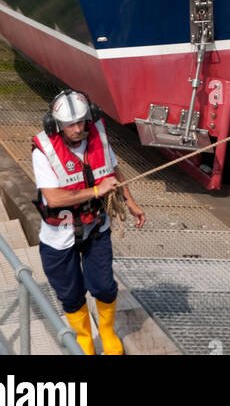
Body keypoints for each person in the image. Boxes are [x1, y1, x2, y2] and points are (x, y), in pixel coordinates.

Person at [32, 89, 145, 356]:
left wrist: (130, 202)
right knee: (70, 295)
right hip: (59, 236)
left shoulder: (98, 136)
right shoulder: (43, 151)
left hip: (96, 228)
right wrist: (96, 191)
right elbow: (54, 198)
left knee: (105, 287)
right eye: (70, 124)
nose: (78, 128)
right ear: (55, 125)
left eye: (82, 121)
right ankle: (84, 337)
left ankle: (107, 332)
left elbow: (113, 170)